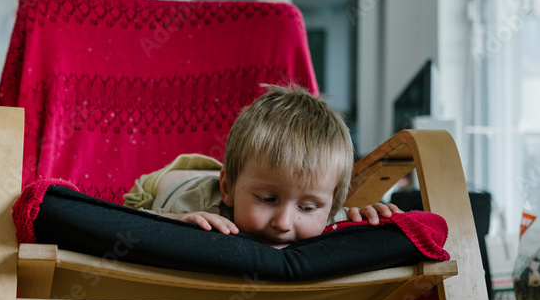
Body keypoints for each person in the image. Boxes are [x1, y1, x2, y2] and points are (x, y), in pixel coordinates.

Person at [123, 84, 400, 249]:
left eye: (307, 208)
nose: (283, 223)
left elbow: (344, 218)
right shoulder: (199, 209)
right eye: (267, 200)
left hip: (240, 179)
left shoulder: (327, 216)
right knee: (194, 180)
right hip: (168, 186)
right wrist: (176, 222)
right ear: (228, 189)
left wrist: (366, 218)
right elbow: (129, 222)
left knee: (256, 175)